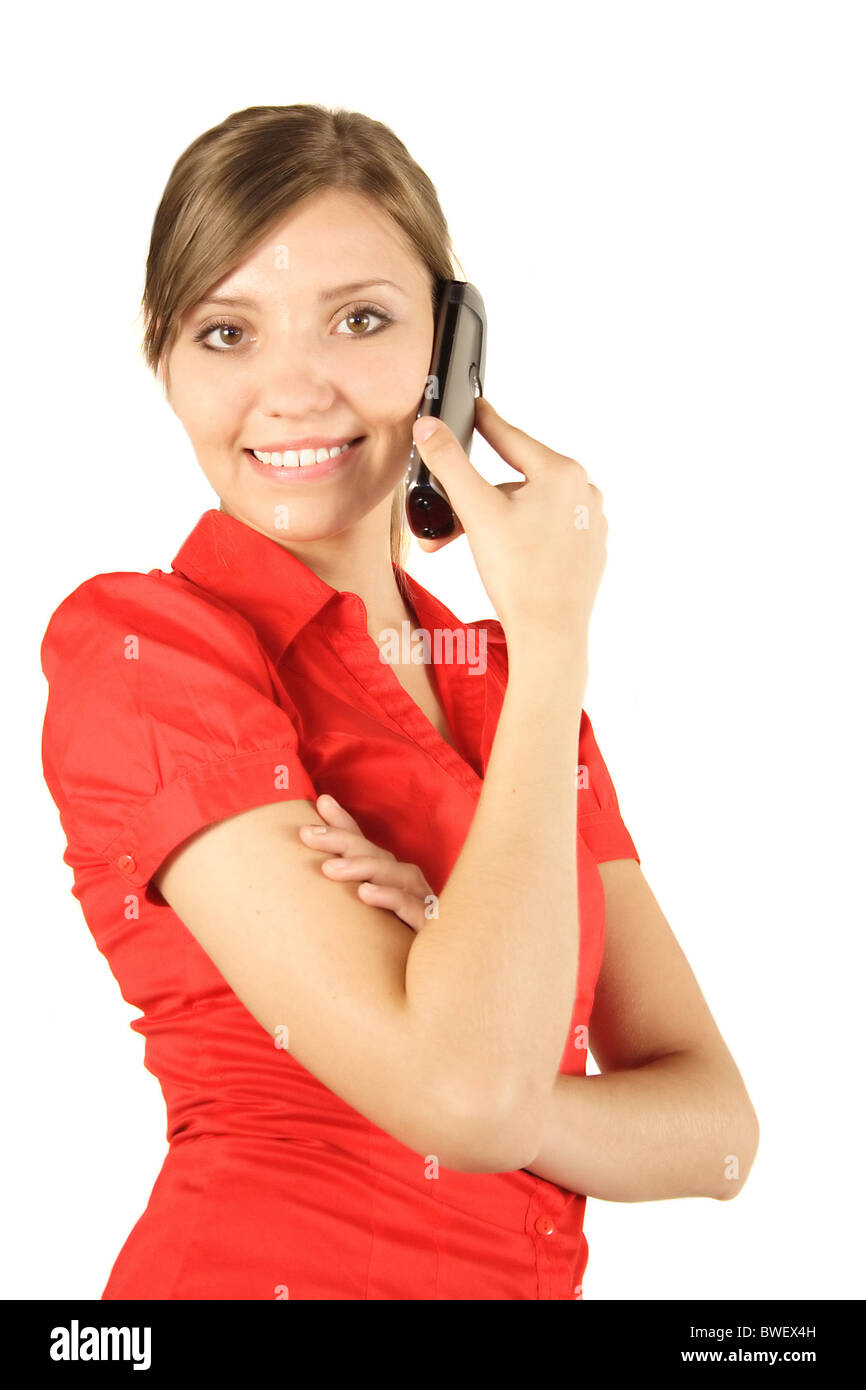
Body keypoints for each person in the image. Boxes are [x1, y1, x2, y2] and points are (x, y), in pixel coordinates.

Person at [39, 104, 759, 1300]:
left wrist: (457, 976)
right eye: (226, 332)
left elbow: (713, 1128)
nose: (290, 391)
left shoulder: (519, 690)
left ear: (450, 351)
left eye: (360, 319)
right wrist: (473, 1058)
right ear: (164, 361)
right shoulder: (147, 649)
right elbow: (467, 1096)